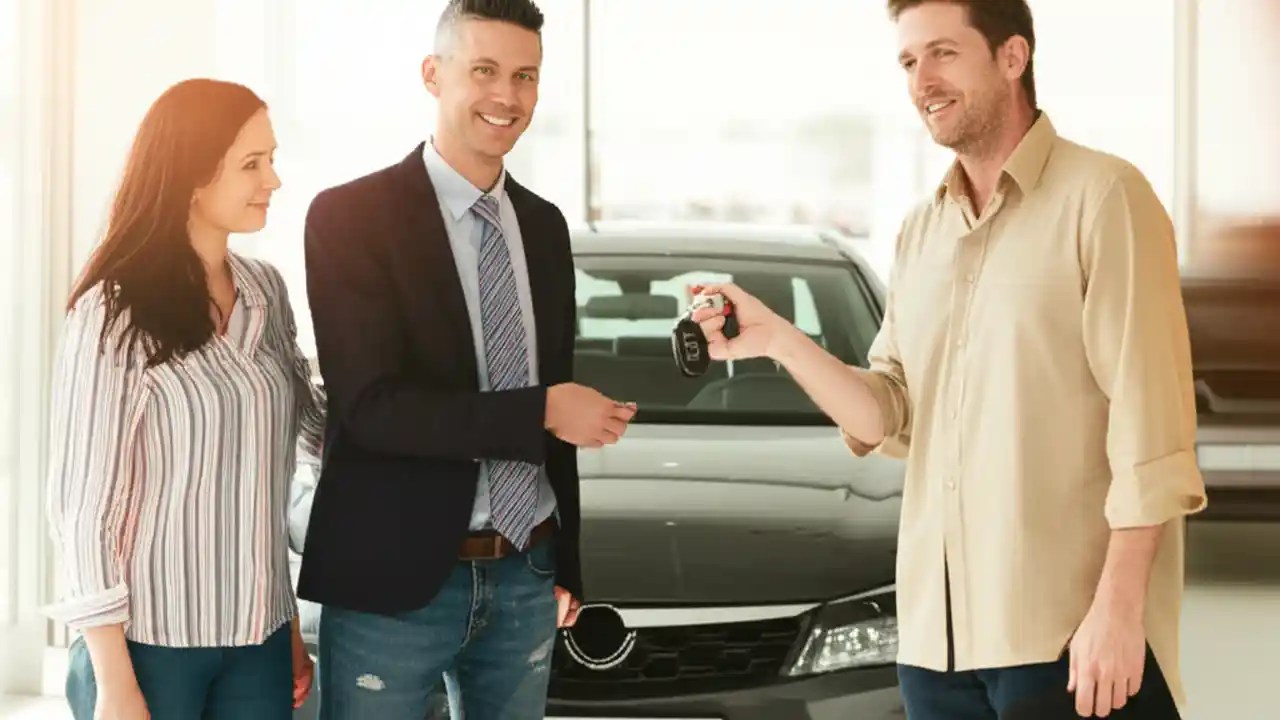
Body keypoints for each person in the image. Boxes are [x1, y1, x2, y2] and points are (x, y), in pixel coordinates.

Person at [693, 1, 1206, 718]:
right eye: (908, 61)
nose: (921, 81)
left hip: (1066, 637)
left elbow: (1152, 428)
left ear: (1012, 56)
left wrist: (1119, 612)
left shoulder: (1104, 198)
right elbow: (888, 414)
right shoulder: (921, 230)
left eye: (943, 53)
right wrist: (777, 338)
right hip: (937, 650)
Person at [296, 1, 636, 718]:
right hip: (394, 580)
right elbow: (370, 408)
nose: (507, 96)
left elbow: (553, 410)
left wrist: (565, 564)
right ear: (433, 74)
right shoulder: (349, 218)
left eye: (525, 76)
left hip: (526, 572)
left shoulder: (543, 227)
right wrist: (540, 410)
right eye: (484, 70)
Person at [44, 79, 325, 719]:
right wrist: (115, 683)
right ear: (192, 177)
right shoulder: (112, 312)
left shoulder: (266, 290)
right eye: (252, 163)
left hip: (257, 638)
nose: (273, 179)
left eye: (271, 159)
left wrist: (286, 627)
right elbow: (85, 507)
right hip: (149, 643)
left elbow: (297, 446)